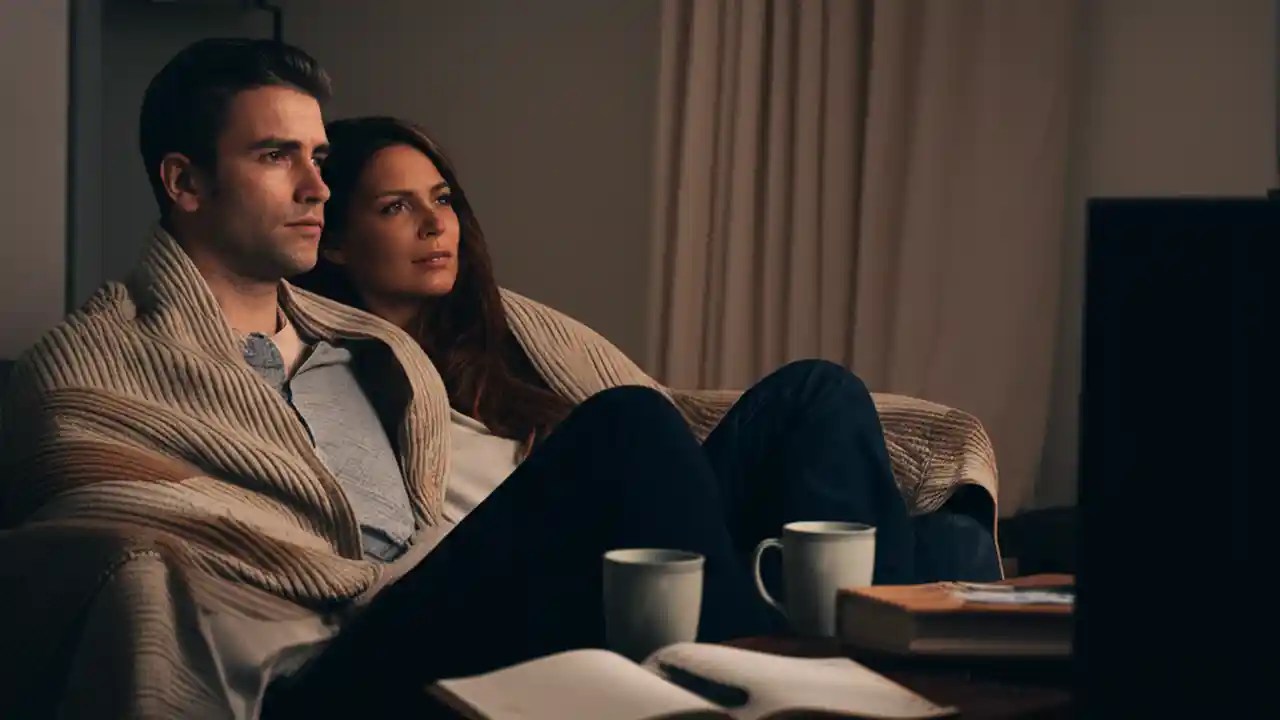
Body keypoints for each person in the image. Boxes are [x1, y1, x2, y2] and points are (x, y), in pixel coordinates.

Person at [0, 39, 995, 720]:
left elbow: (454, 500)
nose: (314, 184)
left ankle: (864, 671)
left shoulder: (365, 347)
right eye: (276, 157)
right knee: (627, 429)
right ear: (183, 183)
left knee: (804, 403)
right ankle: (787, 684)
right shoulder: (98, 358)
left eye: (316, 157)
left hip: (444, 605)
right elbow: (87, 494)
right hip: (327, 666)